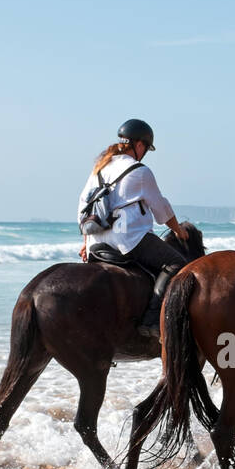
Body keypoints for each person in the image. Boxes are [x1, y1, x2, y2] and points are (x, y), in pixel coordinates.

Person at [77, 119, 190, 337]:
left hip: (96, 242)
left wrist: (85, 243)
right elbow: (161, 209)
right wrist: (178, 230)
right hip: (128, 239)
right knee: (176, 264)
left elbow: (84, 208)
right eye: (146, 148)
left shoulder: (99, 170)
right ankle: (151, 320)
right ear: (139, 145)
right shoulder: (140, 171)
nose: (145, 152)